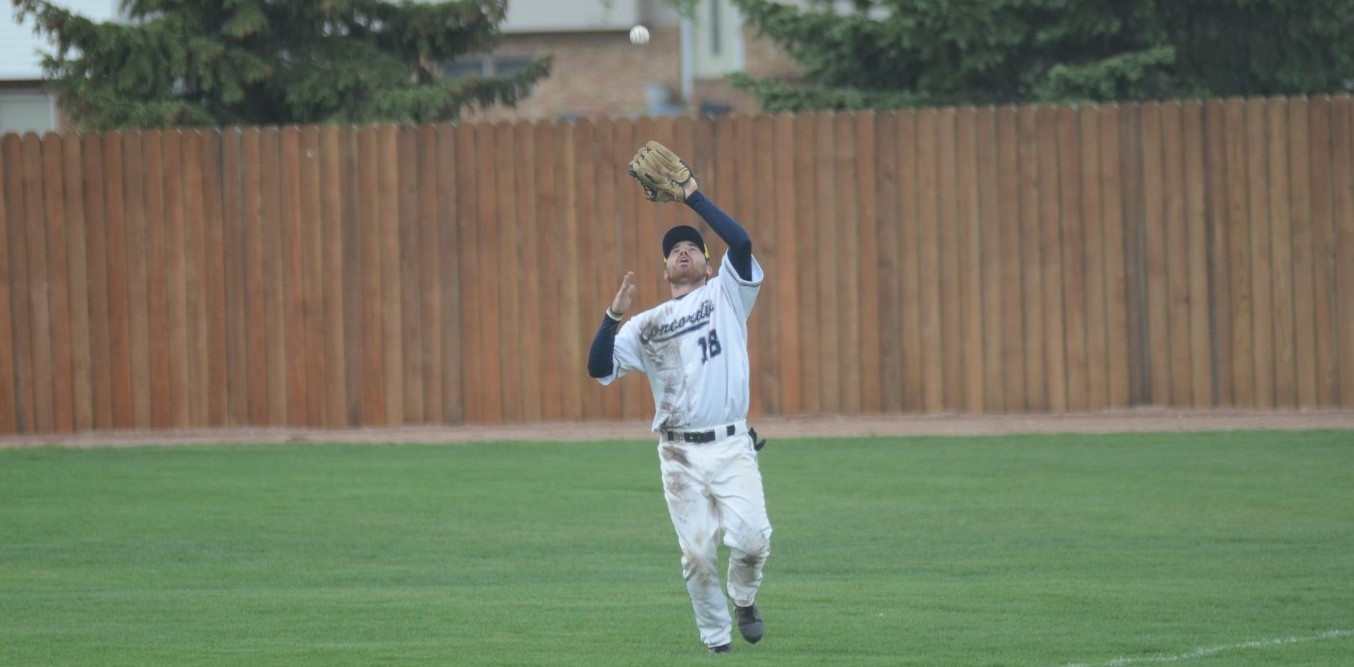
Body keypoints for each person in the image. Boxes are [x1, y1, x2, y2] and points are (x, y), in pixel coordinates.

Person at [586, 171, 772, 654]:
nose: (683, 252)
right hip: (679, 455)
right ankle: (718, 644)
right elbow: (598, 367)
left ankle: (744, 598)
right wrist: (613, 316)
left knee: (752, 540)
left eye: (692, 248)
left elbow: (742, 242)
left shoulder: (726, 295)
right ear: (665, 270)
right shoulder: (645, 325)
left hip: (731, 445)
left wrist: (693, 197)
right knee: (697, 557)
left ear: (709, 266)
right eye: (674, 251)